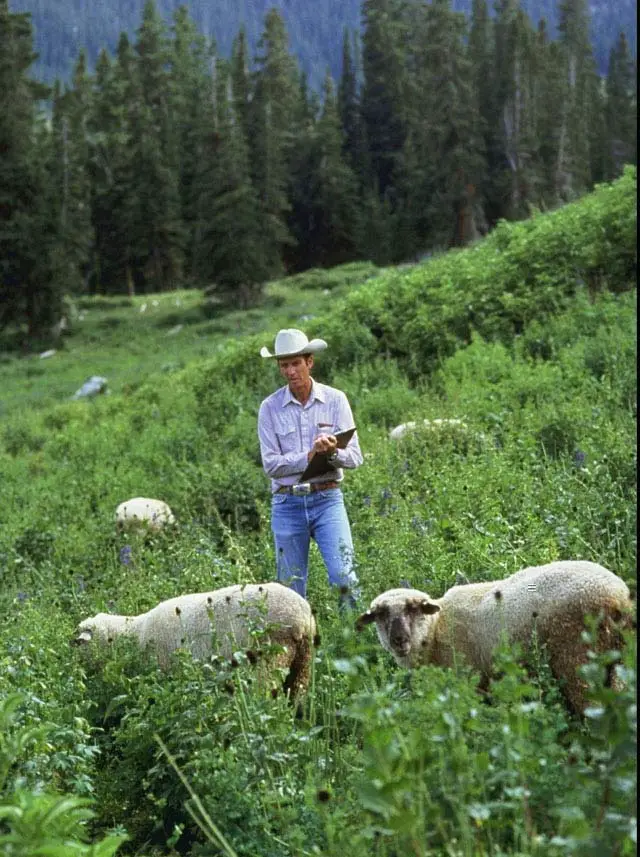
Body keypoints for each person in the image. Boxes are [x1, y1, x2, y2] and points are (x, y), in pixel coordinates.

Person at [257, 328, 363, 607]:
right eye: (284, 365)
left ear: (309, 362)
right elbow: (271, 465)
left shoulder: (335, 399)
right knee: (290, 590)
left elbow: (355, 457)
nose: (290, 371)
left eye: (296, 363)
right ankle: (299, 636)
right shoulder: (269, 408)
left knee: (344, 576)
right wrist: (309, 456)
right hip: (287, 503)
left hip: (327, 498)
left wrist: (332, 453)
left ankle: (354, 633)